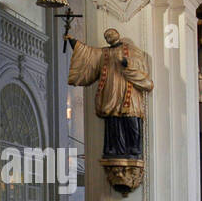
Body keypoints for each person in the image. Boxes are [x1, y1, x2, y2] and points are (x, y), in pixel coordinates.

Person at [65, 28, 154, 159]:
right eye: (106, 35)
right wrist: (73, 42)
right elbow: (87, 54)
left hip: (128, 91)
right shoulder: (104, 53)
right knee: (113, 121)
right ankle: (113, 149)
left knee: (131, 118)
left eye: (111, 34)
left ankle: (134, 149)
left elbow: (139, 66)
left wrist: (126, 63)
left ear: (117, 34)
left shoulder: (132, 50)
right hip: (111, 93)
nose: (108, 36)